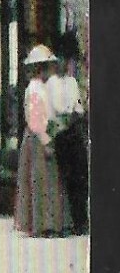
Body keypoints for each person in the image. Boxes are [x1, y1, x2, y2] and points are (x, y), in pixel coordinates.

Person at [15, 45, 73, 237]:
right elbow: (36, 119)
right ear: (41, 68)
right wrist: (46, 141)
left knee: (48, 179)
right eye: (48, 66)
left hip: (42, 135)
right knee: (41, 180)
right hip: (37, 137)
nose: (51, 70)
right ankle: (43, 224)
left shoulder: (42, 87)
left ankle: (49, 223)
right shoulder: (34, 89)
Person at [47, 33, 88, 235]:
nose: (67, 64)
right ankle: (68, 220)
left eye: (70, 60)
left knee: (81, 175)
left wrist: (76, 114)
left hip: (73, 130)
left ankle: (82, 220)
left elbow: (78, 107)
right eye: (64, 59)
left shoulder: (72, 82)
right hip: (60, 132)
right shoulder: (52, 83)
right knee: (66, 175)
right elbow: (56, 109)